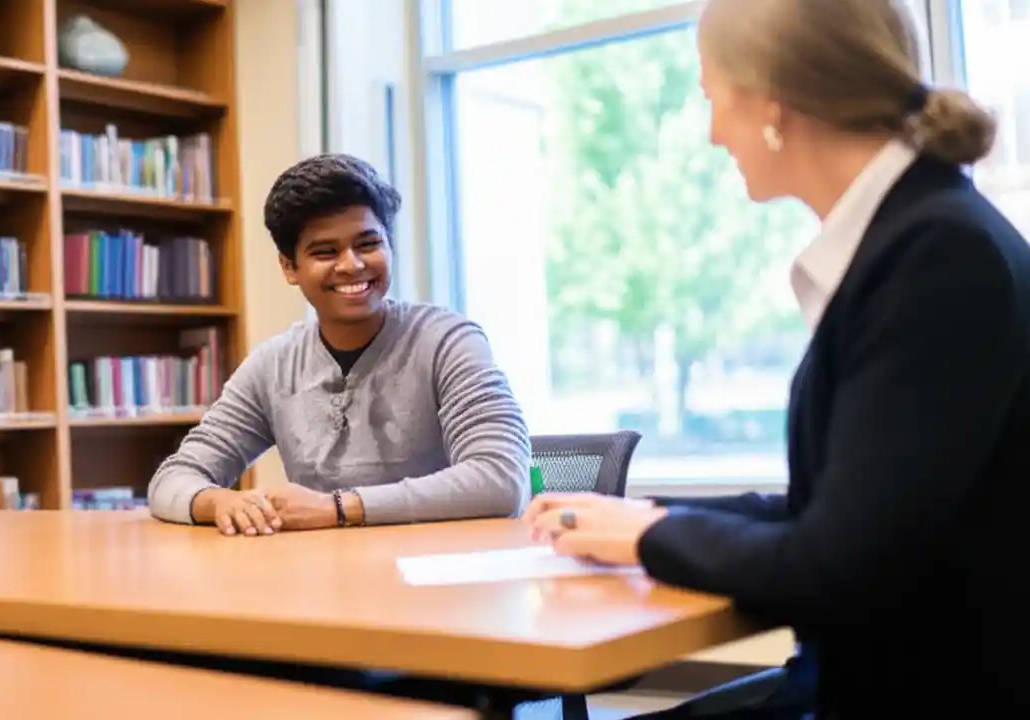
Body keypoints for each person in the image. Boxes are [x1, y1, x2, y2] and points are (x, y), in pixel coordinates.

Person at [523, 0, 1030, 717]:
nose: (711, 132)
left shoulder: (938, 257)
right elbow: (833, 510)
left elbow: (835, 562)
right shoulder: (922, 235)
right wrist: (643, 512)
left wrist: (650, 535)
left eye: (711, 97)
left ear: (772, 100)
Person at [148, 153, 530, 536]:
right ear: (289, 267)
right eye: (325, 252)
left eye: (367, 244)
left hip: (440, 579)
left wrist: (337, 508)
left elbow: (501, 478)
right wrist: (223, 501)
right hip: (326, 582)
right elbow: (172, 479)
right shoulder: (274, 365)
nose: (351, 265)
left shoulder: (448, 342)